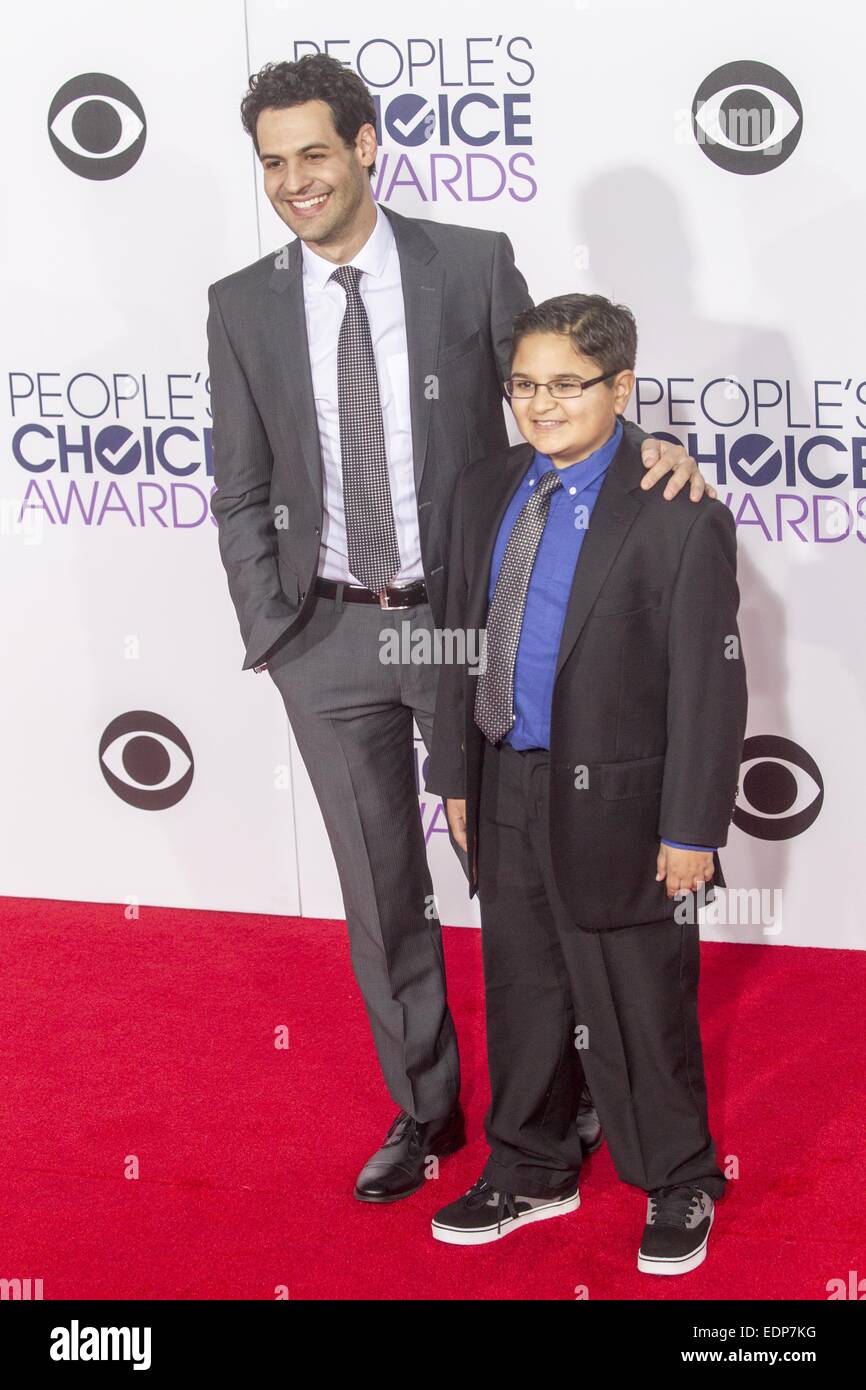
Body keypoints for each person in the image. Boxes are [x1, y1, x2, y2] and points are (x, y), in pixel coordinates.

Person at [206, 53, 713, 1207]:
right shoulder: (239, 303)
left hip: (467, 626)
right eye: (273, 163)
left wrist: (654, 459)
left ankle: (563, 1099)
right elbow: (239, 486)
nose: (294, 181)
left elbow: (555, 403)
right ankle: (426, 1112)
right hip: (327, 637)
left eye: (314, 155)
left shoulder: (468, 265)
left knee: (525, 872)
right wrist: (272, 622)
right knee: (384, 893)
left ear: (367, 145)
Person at [426, 294, 747, 1274]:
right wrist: (454, 774)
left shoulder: (677, 511)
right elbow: (451, 640)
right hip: (504, 779)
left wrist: (691, 826)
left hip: (625, 801)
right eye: (524, 384)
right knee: (521, 984)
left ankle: (677, 1174)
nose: (540, 404)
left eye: (566, 384)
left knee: (637, 996)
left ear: (620, 390)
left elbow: (708, 683)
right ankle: (529, 1165)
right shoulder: (483, 488)